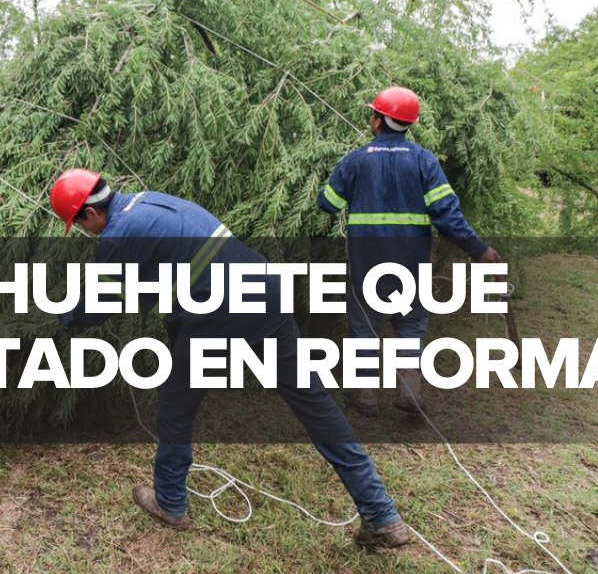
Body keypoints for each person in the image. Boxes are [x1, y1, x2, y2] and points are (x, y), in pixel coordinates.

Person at [50, 168, 413, 549]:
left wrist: (61, 317)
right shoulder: (153, 201)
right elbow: (152, 285)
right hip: (266, 294)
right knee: (318, 408)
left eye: (79, 224)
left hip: (220, 311)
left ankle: (170, 502)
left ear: (89, 215)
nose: (85, 231)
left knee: (176, 408)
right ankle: (382, 516)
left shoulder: (117, 235)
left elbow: (103, 301)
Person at [317, 86, 502, 417]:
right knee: (411, 325)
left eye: (372, 114)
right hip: (412, 263)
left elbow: (327, 204)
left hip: (366, 263)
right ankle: (410, 392)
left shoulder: (356, 160)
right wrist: (479, 249)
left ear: (377, 121)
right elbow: (448, 215)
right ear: (408, 125)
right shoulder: (424, 161)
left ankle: (366, 397)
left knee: (365, 326)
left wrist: (344, 177)